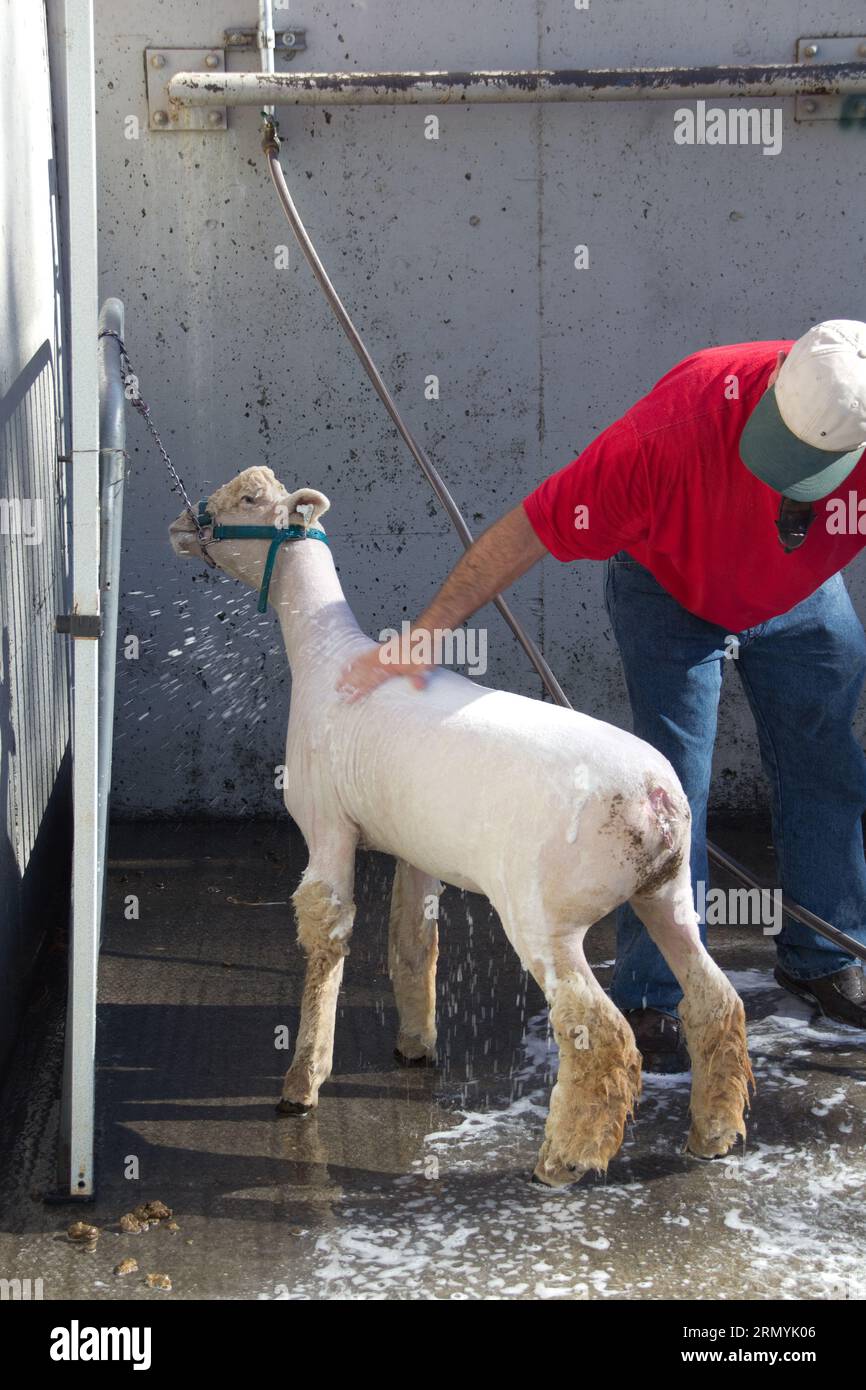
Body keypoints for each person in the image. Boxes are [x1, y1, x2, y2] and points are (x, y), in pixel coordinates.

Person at [338, 319, 866, 1069]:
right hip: (672, 595)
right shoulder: (671, 434)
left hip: (805, 594)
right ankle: (659, 997)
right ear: (773, 391)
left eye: (806, 471)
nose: (783, 483)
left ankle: (824, 954)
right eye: (777, 458)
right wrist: (424, 636)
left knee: (829, 768)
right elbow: (525, 532)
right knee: (670, 794)